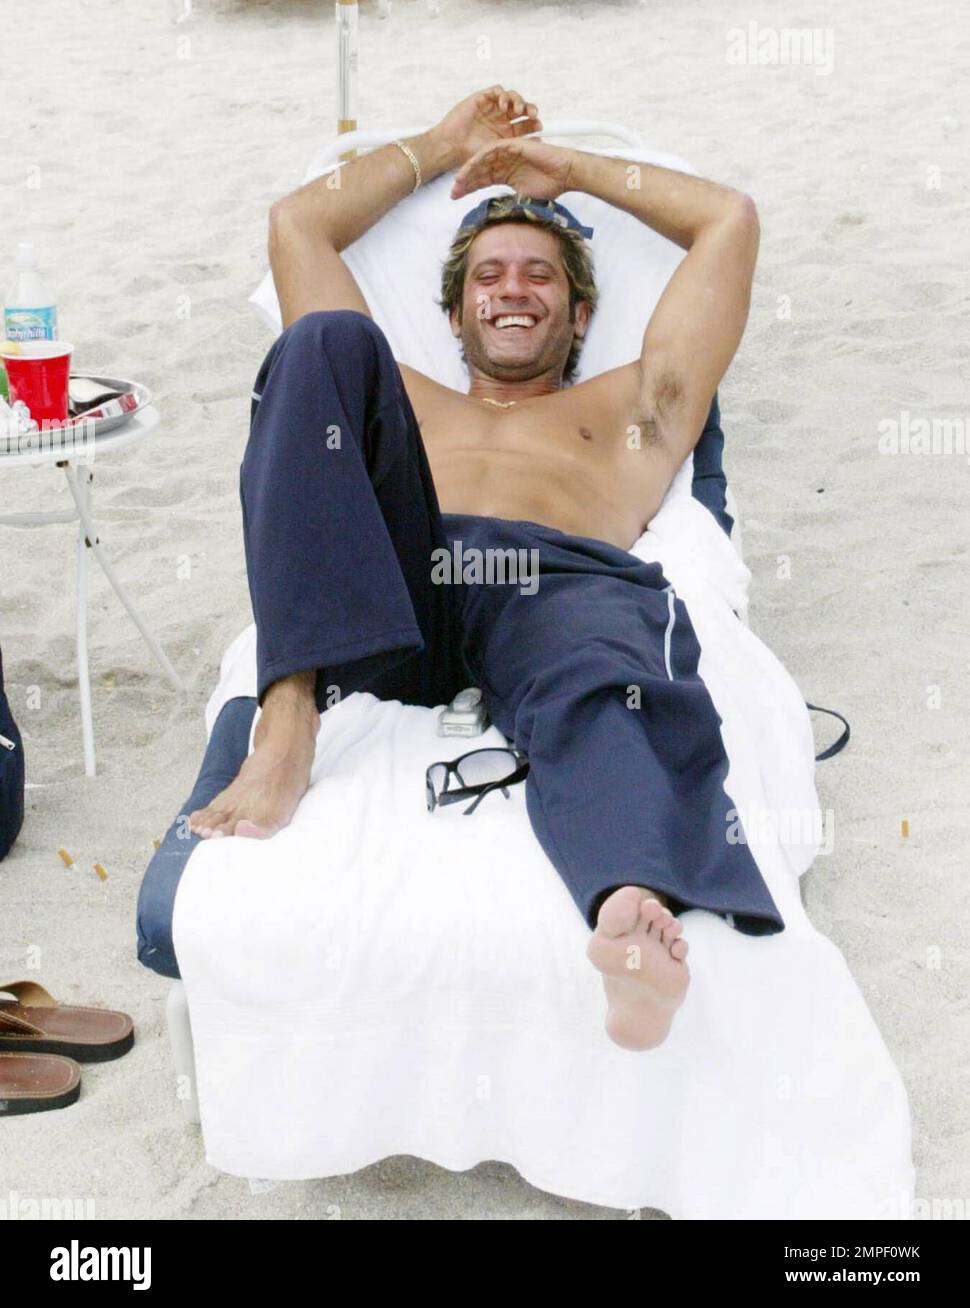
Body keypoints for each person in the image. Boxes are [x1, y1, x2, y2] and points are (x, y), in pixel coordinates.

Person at [138, 85, 781, 1050]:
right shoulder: (403, 394)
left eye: (539, 274)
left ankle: (627, 908)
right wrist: (444, 145)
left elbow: (728, 220)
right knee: (320, 342)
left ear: (580, 307)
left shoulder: (636, 404)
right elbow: (298, 222)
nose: (513, 289)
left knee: (604, 684)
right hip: (400, 578)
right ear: (453, 309)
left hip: (556, 582)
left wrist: (563, 167)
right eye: (488, 275)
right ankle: (289, 710)